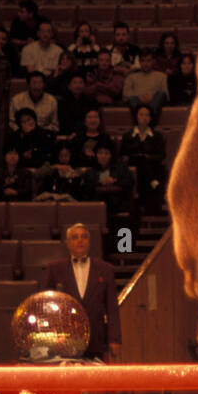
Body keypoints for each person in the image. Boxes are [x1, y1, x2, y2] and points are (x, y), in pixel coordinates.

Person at [42, 223, 121, 361]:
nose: (80, 240)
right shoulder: (54, 269)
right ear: (68, 243)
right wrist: (49, 337)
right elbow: (47, 307)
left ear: (89, 242)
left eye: (84, 237)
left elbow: (112, 308)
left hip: (96, 338)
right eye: (75, 237)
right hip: (64, 340)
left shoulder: (105, 269)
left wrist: (114, 339)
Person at [119, 104, 167, 215]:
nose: (144, 117)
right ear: (136, 117)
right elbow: (123, 154)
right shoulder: (128, 135)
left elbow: (161, 155)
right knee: (140, 161)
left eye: (147, 115)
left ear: (150, 118)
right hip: (133, 167)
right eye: (141, 115)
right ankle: (153, 182)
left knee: (144, 161)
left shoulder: (157, 136)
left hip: (152, 166)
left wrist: (147, 157)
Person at [80, 139, 134, 220]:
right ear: (96, 155)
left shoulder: (121, 168)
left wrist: (114, 181)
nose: (103, 156)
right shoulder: (90, 172)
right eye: (100, 153)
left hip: (117, 204)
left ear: (111, 155)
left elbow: (130, 182)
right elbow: (86, 188)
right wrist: (100, 183)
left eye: (106, 153)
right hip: (96, 204)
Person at [122, 48, 168, 121]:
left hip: (154, 103)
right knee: (131, 99)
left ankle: (149, 116)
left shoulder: (162, 76)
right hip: (137, 105)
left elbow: (166, 95)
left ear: (153, 61)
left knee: (161, 94)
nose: (145, 64)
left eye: (148, 61)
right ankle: (144, 117)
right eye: (142, 61)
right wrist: (140, 97)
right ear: (139, 62)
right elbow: (125, 96)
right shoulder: (131, 77)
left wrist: (151, 96)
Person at [58, 72, 91, 142]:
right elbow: (63, 121)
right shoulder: (62, 102)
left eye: (80, 83)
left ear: (84, 85)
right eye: (75, 83)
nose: (78, 86)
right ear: (69, 86)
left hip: (86, 133)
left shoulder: (90, 101)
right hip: (68, 134)